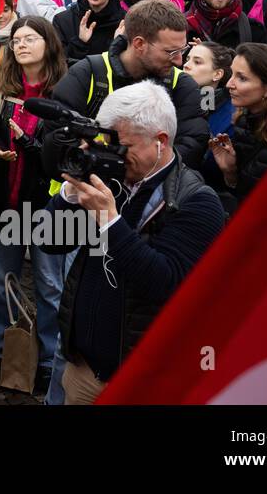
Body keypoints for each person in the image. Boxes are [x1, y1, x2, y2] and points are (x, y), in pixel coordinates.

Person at [46, 81, 224, 403]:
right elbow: (48, 240)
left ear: (160, 141)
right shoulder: (112, 178)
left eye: (122, 145)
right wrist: (70, 194)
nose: (113, 153)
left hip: (144, 381)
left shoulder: (196, 201)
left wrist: (110, 222)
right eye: (107, 142)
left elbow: (165, 283)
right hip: (84, 371)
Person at [0, 16, 68, 397]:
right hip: (7, 203)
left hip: (50, 208)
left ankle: (49, 361)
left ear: (48, 44)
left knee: (51, 286)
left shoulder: (65, 92)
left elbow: (61, 156)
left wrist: (26, 144)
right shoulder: (0, 91)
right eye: (16, 39)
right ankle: (2, 353)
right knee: (3, 283)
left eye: (29, 38)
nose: (20, 45)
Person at [50, 0, 209, 163]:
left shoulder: (182, 85)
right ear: (139, 44)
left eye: (182, 51)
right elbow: (56, 144)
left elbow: (192, 147)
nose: (179, 61)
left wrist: (135, 169)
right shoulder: (87, 74)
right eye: (171, 52)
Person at [204, 43, 267, 211]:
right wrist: (230, 171)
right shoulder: (243, 121)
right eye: (232, 75)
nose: (230, 84)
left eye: (242, 78)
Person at [185, 41, 236, 140]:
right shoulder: (176, 95)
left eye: (197, 62)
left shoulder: (230, 116)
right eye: (187, 59)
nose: (186, 65)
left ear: (217, 74)